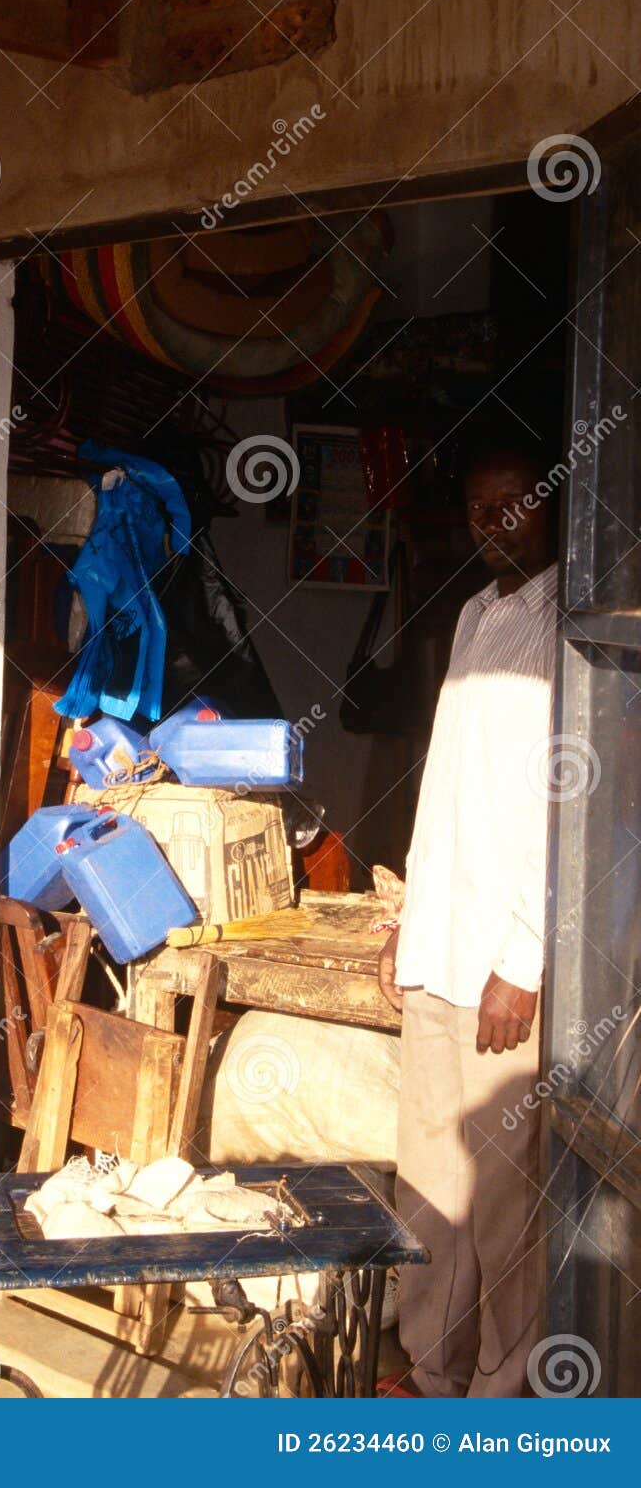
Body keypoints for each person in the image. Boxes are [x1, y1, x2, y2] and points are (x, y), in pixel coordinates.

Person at [377, 439, 558, 1398]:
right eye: (480, 507)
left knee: (500, 1203)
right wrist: (407, 918)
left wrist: (521, 964)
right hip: (439, 947)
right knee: (430, 1185)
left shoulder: (572, 626)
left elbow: (570, 814)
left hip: (498, 965)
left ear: (555, 506)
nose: (494, 523)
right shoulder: (473, 614)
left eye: (514, 504)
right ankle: (430, 1371)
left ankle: (500, 1392)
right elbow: (444, 786)